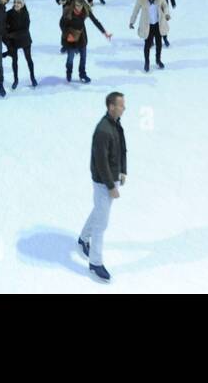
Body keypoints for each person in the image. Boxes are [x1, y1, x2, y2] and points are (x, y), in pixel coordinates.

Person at [79, 92, 127, 282]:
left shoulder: (116, 124)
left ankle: (83, 238)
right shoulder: (103, 130)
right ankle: (95, 263)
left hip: (112, 177)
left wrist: (123, 170)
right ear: (111, 106)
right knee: (102, 223)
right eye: (121, 105)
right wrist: (110, 186)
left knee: (100, 211)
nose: (124, 108)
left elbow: (122, 149)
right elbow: (101, 162)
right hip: (103, 182)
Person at [61, 0, 112, 83]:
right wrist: (68, 35)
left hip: (81, 36)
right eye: (77, 5)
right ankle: (69, 72)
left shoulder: (85, 10)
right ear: (74, 4)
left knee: (83, 56)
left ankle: (82, 74)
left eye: (80, 6)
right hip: (71, 37)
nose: (79, 8)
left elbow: (95, 21)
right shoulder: (68, 11)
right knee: (70, 57)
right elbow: (62, 24)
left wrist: (104, 32)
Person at [129, 0, 171, 71]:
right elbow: (136, 9)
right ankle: (147, 62)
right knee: (147, 45)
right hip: (147, 24)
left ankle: (158, 60)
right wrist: (132, 21)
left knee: (159, 44)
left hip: (157, 23)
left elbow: (165, 5)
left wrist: (167, 14)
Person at [5, 0, 37, 89]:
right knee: (14, 60)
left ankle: (32, 77)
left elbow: (25, 30)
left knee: (29, 59)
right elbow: (4, 24)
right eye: (15, 2)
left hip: (24, 40)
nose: (16, 4)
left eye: (18, 3)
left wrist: (10, 35)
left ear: (22, 5)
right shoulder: (9, 14)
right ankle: (15, 80)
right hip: (14, 41)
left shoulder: (25, 14)